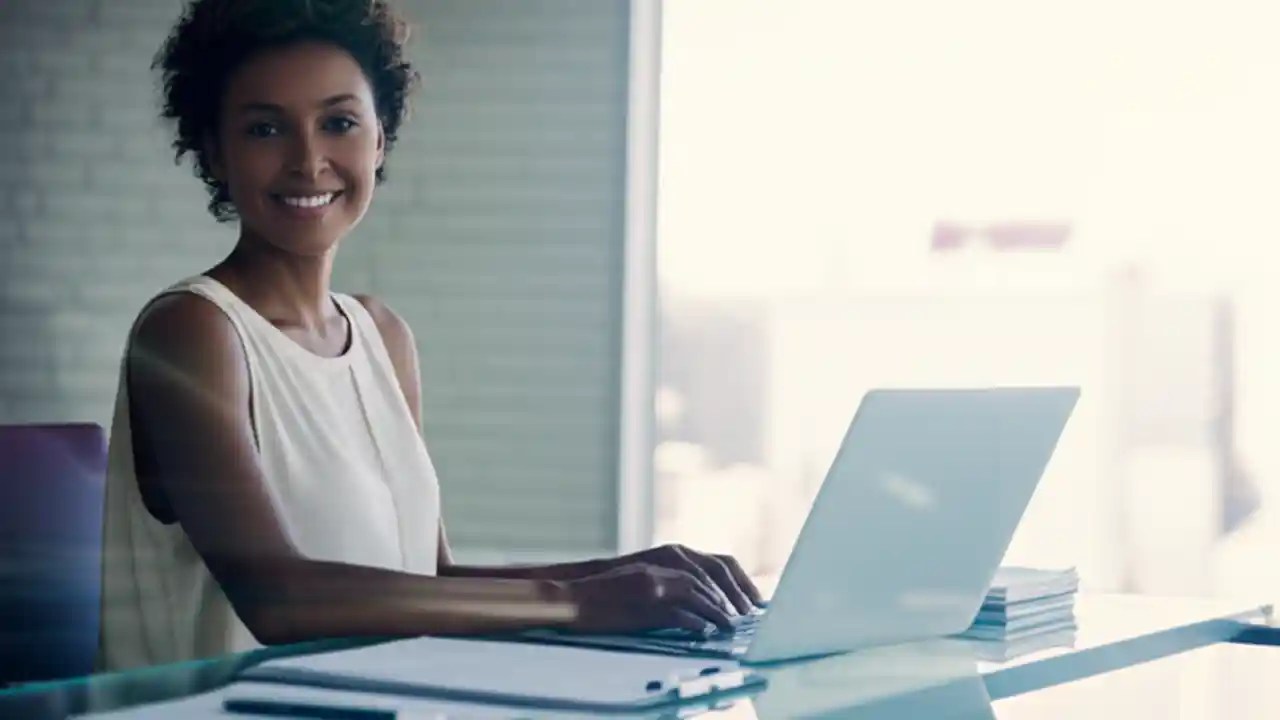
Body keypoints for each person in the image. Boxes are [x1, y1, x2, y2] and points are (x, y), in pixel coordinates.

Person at [97, 0, 761, 672]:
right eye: (266, 129)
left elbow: (426, 582)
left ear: (379, 139)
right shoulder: (191, 331)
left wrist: (629, 574)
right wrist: (578, 601)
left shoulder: (383, 336)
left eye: (339, 123)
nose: (308, 159)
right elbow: (278, 599)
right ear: (214, 150)